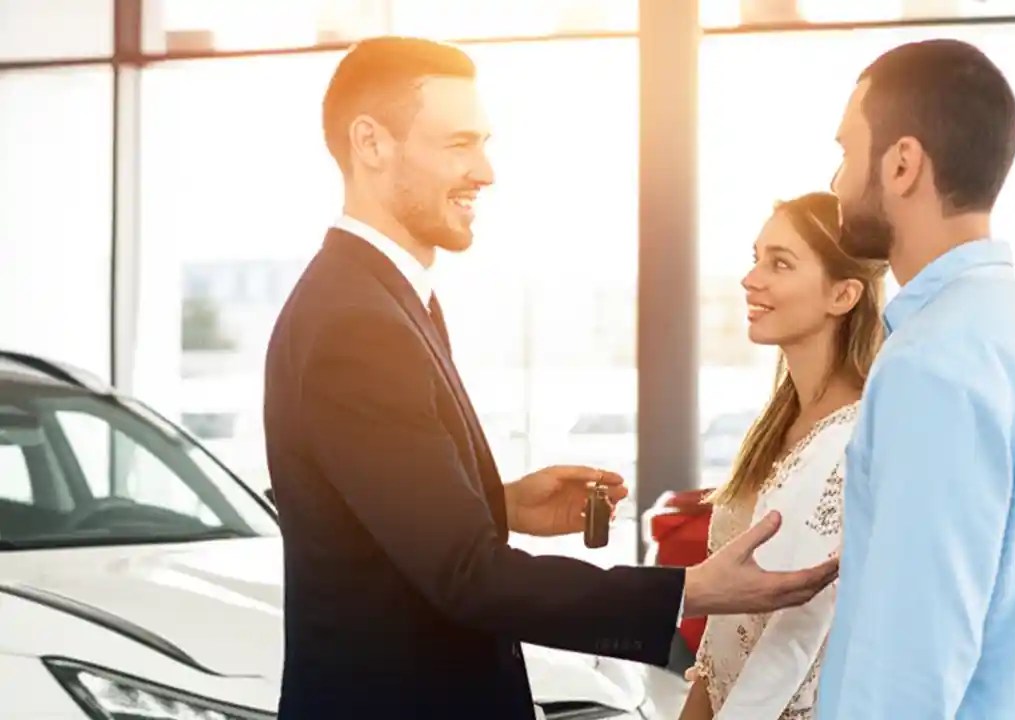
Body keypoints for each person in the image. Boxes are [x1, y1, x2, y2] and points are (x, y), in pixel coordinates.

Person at [262, 36, 839, 720]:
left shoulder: (382, 299)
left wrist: (499, 503)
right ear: (371, 143)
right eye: (459, 144)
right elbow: (465, 576)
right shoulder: (358, 323)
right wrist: (687, 590)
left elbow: (375, 518)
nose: (486, 170)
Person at [814, 39, 1015, 719]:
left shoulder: (931, 362)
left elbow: (905, 673)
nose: (835, 181)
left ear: (903, 163)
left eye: (848, 151)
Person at [678, 192, 887, 720]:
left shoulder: (858, 438)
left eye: (780, 263)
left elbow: (795, 642)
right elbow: (723, 642)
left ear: (843, 294)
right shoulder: (775, 425)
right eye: (756, 258)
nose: (752, 279)